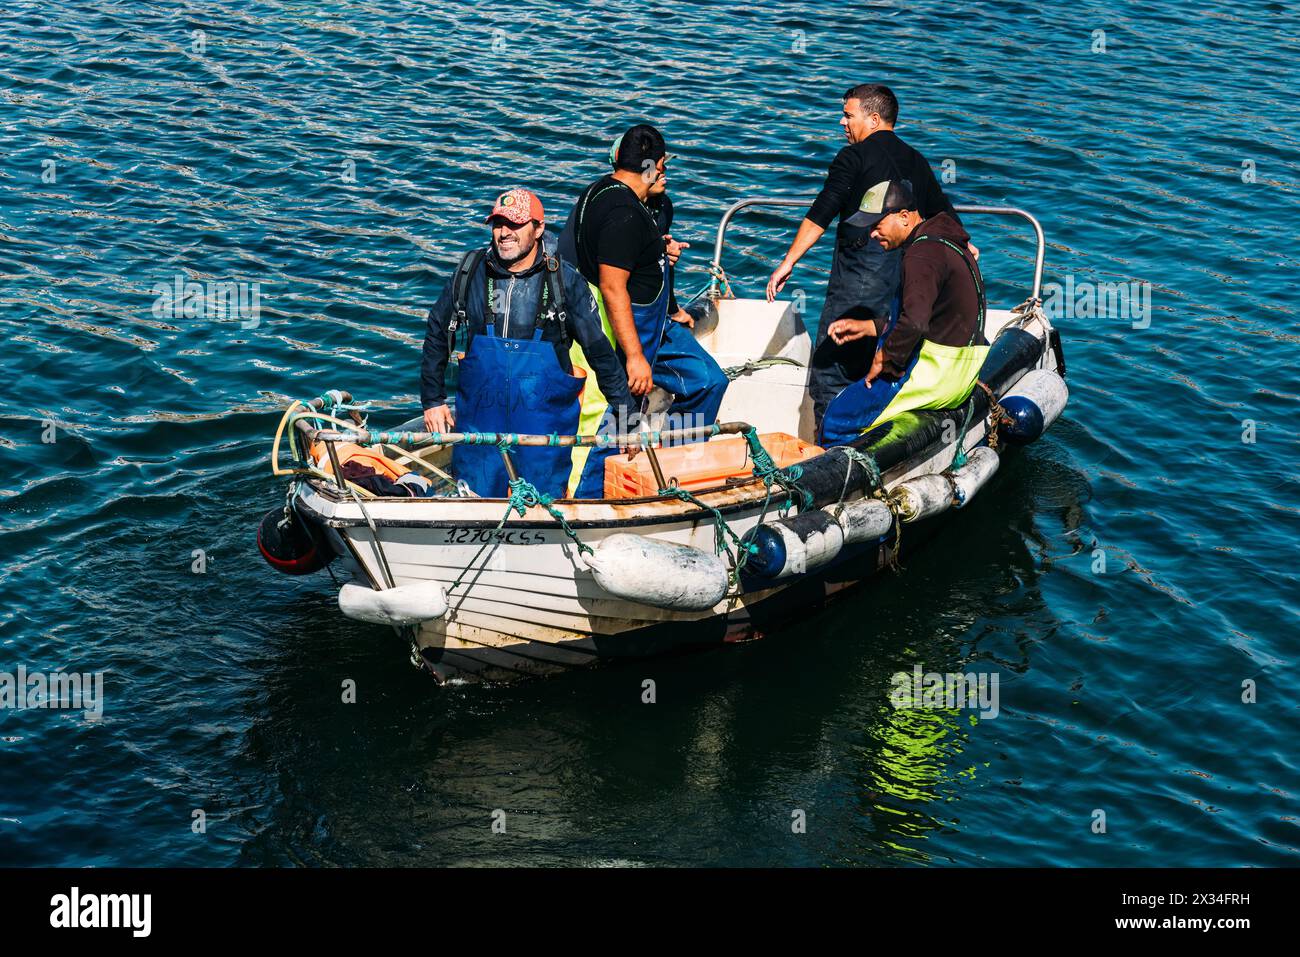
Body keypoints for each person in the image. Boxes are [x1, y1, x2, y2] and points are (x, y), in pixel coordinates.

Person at [764, 83, 974, 430]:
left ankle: (829, 453)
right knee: (883, 357)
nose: (842, 123)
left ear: (873, 118)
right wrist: (967, 249)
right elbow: (945, 217)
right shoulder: (917, 160)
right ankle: (872, 442)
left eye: (848, 115)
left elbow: (822, 212)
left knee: (834, 368)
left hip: (859, 280)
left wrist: (789, 262)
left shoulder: (853, 158)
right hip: (906, 278)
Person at [418, 188, 635, 498]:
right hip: (481, 427)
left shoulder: (564, 282)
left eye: (515, 224)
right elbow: (438, 332)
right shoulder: (469, 272)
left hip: (543, 430)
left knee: (541, 503)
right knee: (474, 498)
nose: (504, 233)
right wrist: (433, 400)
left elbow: (600, 353)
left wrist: (626, 418)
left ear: (539, 228)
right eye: (497, 224)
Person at [557, 124, 727, 498]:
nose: (665, 174)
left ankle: (673, 467)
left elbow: (637, 260)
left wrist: (674, 301)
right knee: (619, 412)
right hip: (620, 333)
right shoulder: (622, 214)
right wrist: (634, 357)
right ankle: (588, 498)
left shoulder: (633, 203)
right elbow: (613, 287)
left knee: (709, 380)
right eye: (664, 167)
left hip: (657, 327)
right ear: (655, 165)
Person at [817, 179, 989, 447]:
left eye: (877, 225)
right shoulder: (947, 242)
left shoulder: (922, 254)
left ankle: (842, 485)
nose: (872, 234)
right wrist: (868, 327)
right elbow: (931, 317)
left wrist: (885, 359)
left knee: (838, 417)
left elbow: (916, 323)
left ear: (905, 216)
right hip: (962, 373)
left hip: (934, 376)